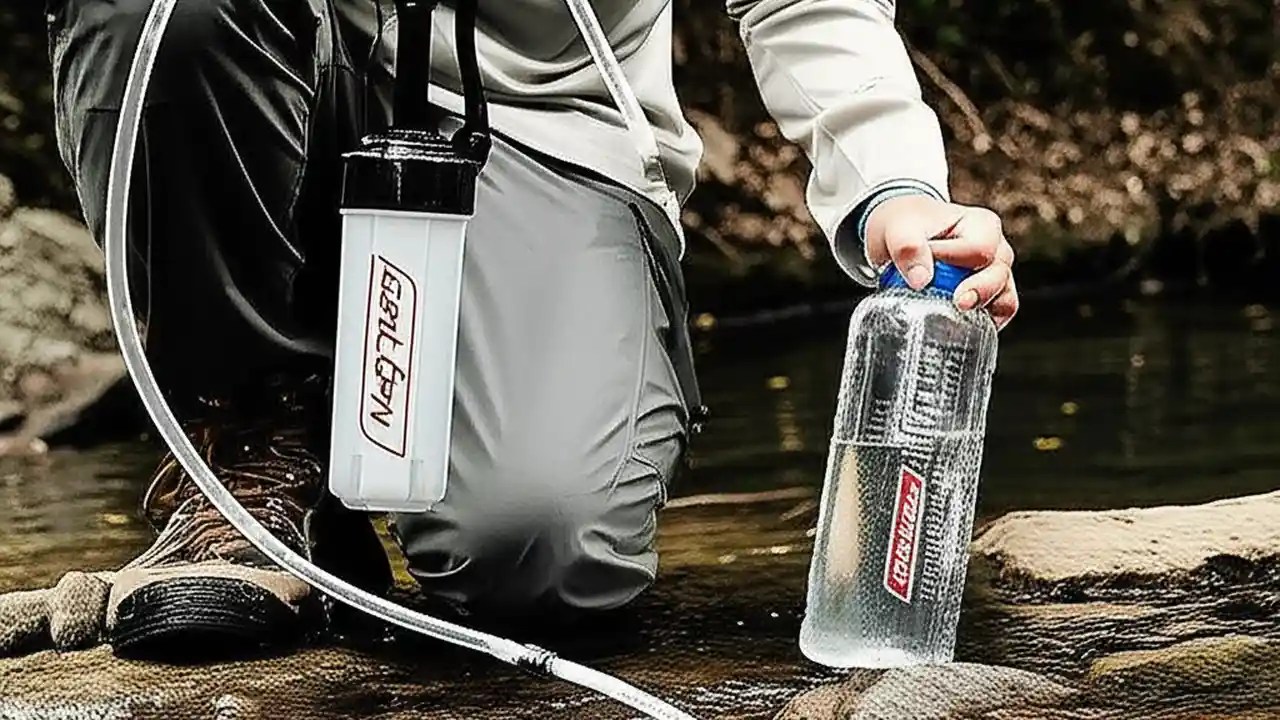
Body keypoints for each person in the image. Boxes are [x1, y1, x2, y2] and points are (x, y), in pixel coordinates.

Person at [3, 0, 1018, 658]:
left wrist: (889, 181)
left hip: (541, 126)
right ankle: (249, 466)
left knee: (536, 557)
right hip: (269, 66)